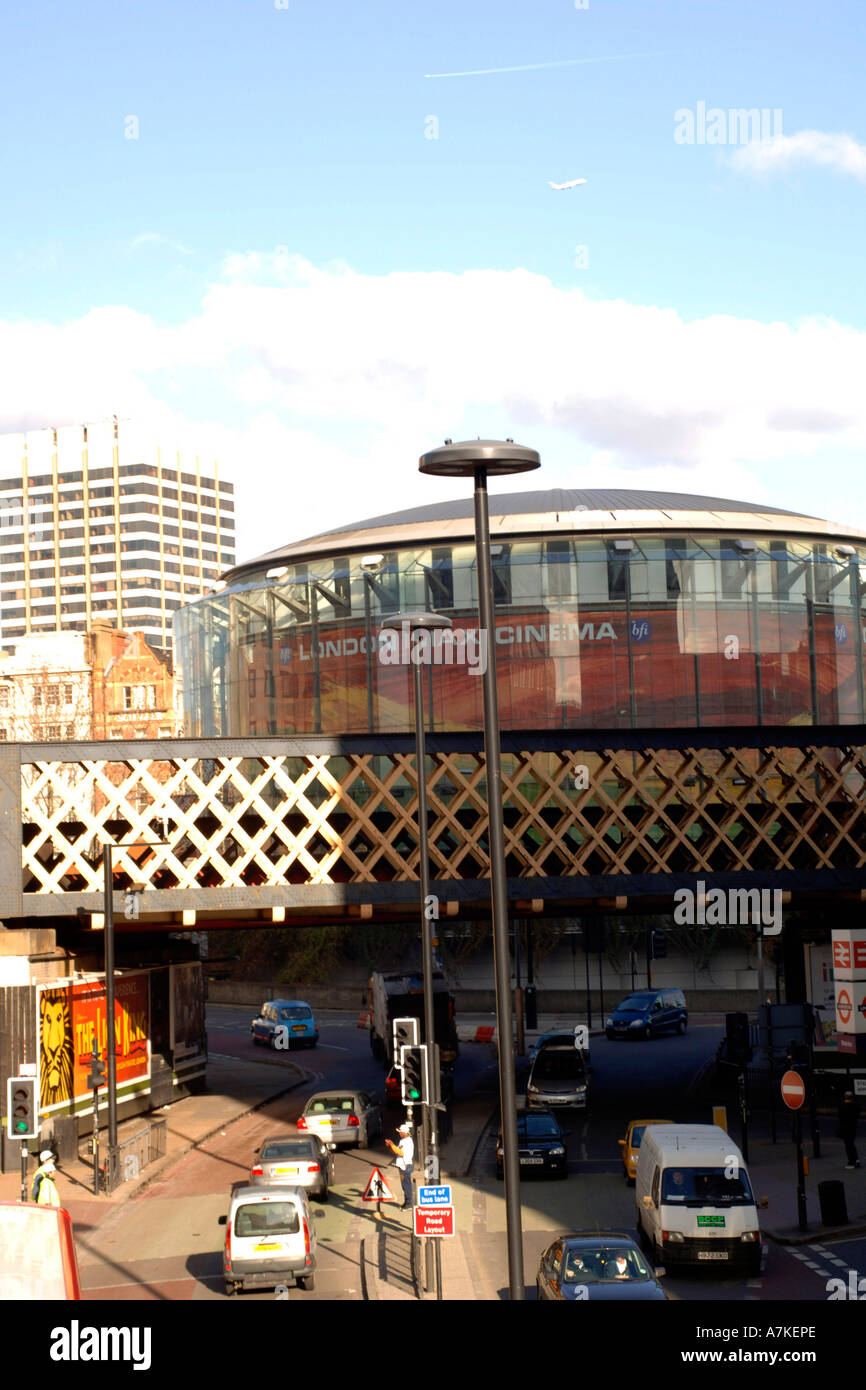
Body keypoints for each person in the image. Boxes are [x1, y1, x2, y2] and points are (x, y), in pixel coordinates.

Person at [385, 1122, 415, 1209]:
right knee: (405, 1185)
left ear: (405, 1132)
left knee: (406, 1185)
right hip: (403, 1165)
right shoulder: (403, 1140)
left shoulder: (408, 1141)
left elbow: (401, 1152)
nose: (399, 1133)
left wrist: (392, 1145)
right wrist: (391, 1147)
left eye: (400, 1132)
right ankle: (407, 1202)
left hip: (405, 1166)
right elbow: (397, 1151)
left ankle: (409, 1203)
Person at [838, 1089, 860, 1169]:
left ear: (845, 1097)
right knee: (851, 1144)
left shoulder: (842, 1106)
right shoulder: (856, 1106)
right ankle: (856, 1159)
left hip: (845, 1128)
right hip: (853, 1128)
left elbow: (840, 1118)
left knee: (848, 1145)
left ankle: (851, 1162)